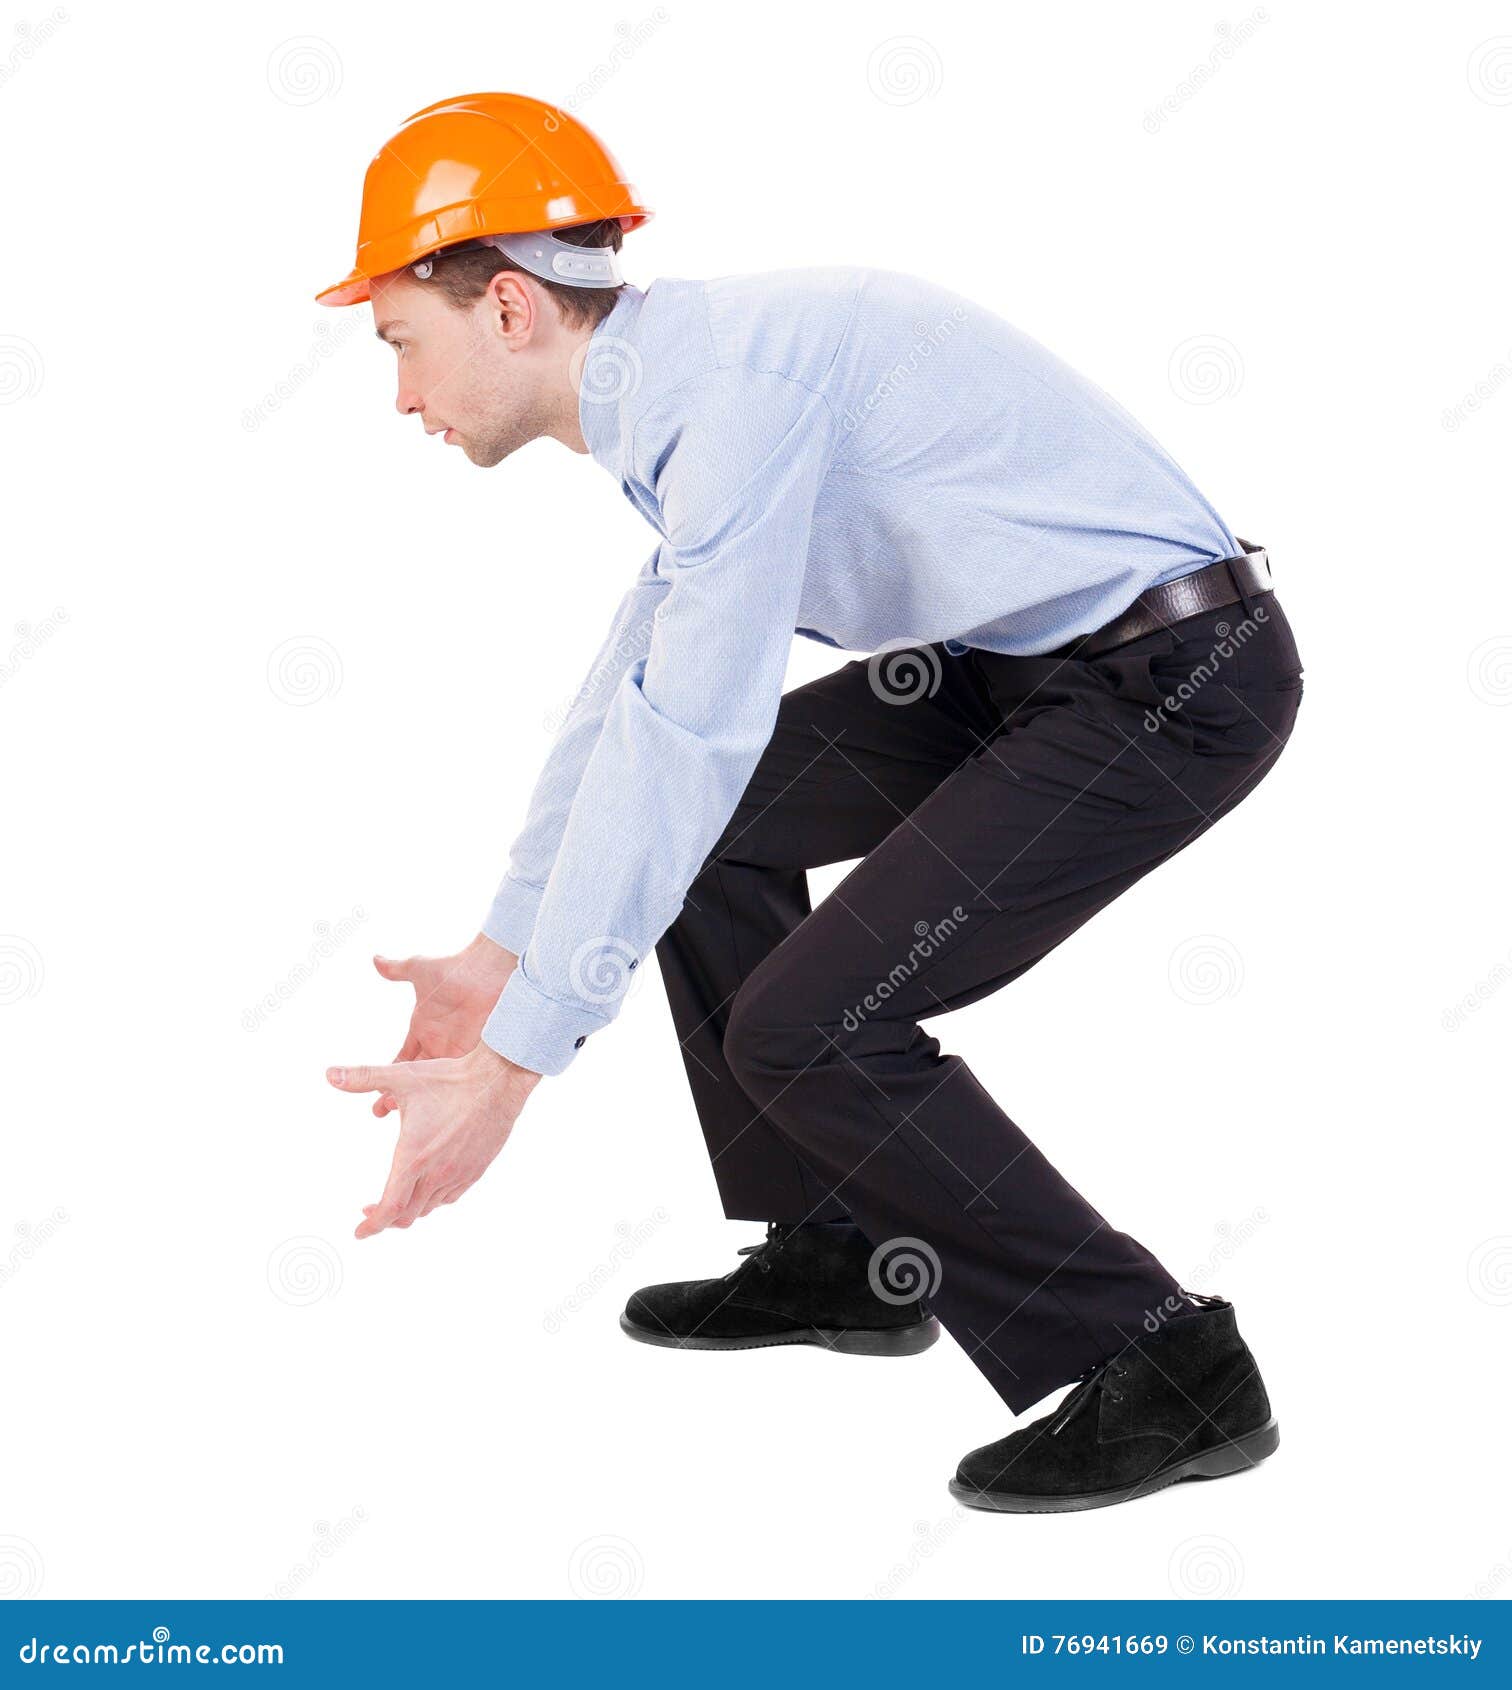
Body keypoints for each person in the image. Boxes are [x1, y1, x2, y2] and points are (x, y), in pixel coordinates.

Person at [319, 92, 1302, 1512]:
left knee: (811, 1019)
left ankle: (1167, 1366)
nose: (401, 394)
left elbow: (688, 736)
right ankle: (842, 1246)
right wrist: (503, 950)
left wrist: (516, 1061)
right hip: (1022, 666)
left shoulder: (732, 399)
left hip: (1170, 678)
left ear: (514, 308)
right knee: (705, 843)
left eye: (401, 342)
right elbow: (633, 695)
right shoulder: (692, 383)